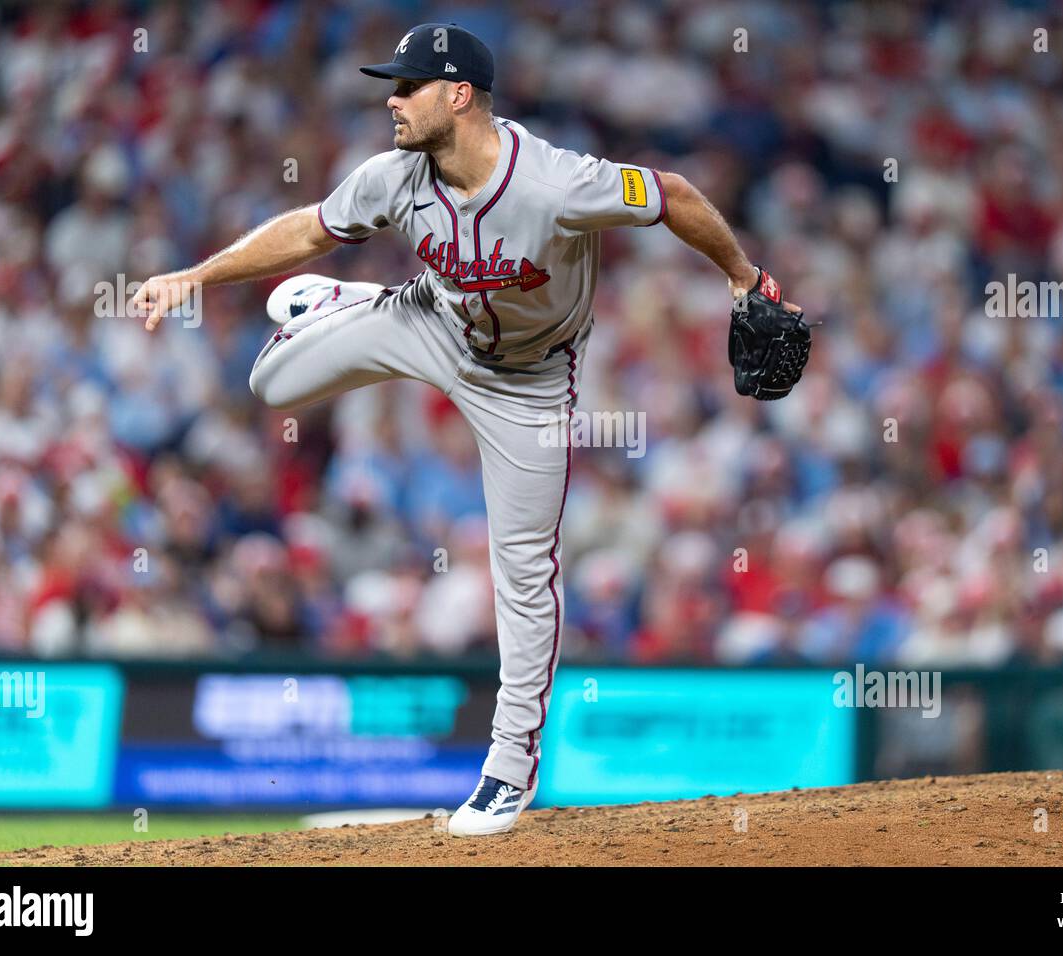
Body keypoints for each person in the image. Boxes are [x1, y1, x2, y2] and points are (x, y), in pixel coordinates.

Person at [131, 22, 798, 836]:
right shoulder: (394, 177)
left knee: (522, 572)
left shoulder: (558, 183)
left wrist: (745, 277)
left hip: (529, 382)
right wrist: (192, 277)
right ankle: (351, 304)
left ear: (459, 95)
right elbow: (309, 228)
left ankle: (509, 772)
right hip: (431, 321)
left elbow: (676, 196)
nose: (392, 98)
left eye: (407, 85)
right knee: (271, 383)